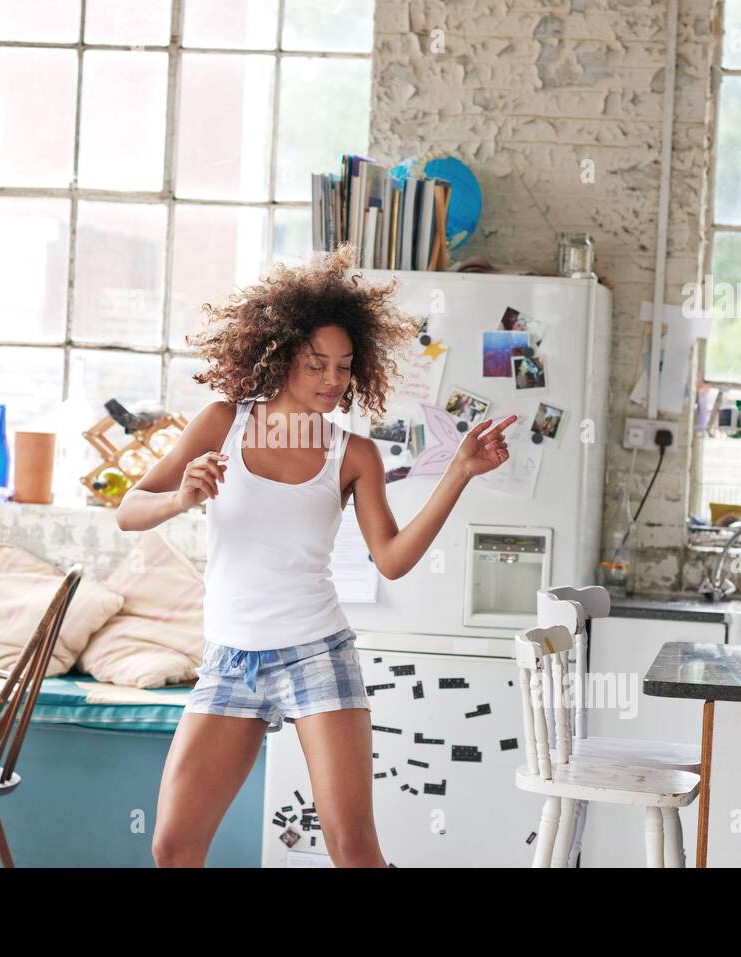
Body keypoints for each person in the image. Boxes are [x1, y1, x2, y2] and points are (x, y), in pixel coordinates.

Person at [116, 243, 516, 867]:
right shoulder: (222, 422)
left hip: (316, 653)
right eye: (316, 365)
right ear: (277, 358)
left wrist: (459, 472)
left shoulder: (353, 454)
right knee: (173, 844)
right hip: (229, 660)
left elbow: (391, 560)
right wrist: (180, 498)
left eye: (344, 366)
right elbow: (128, 509)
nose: (333, 381)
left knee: (351, 846)